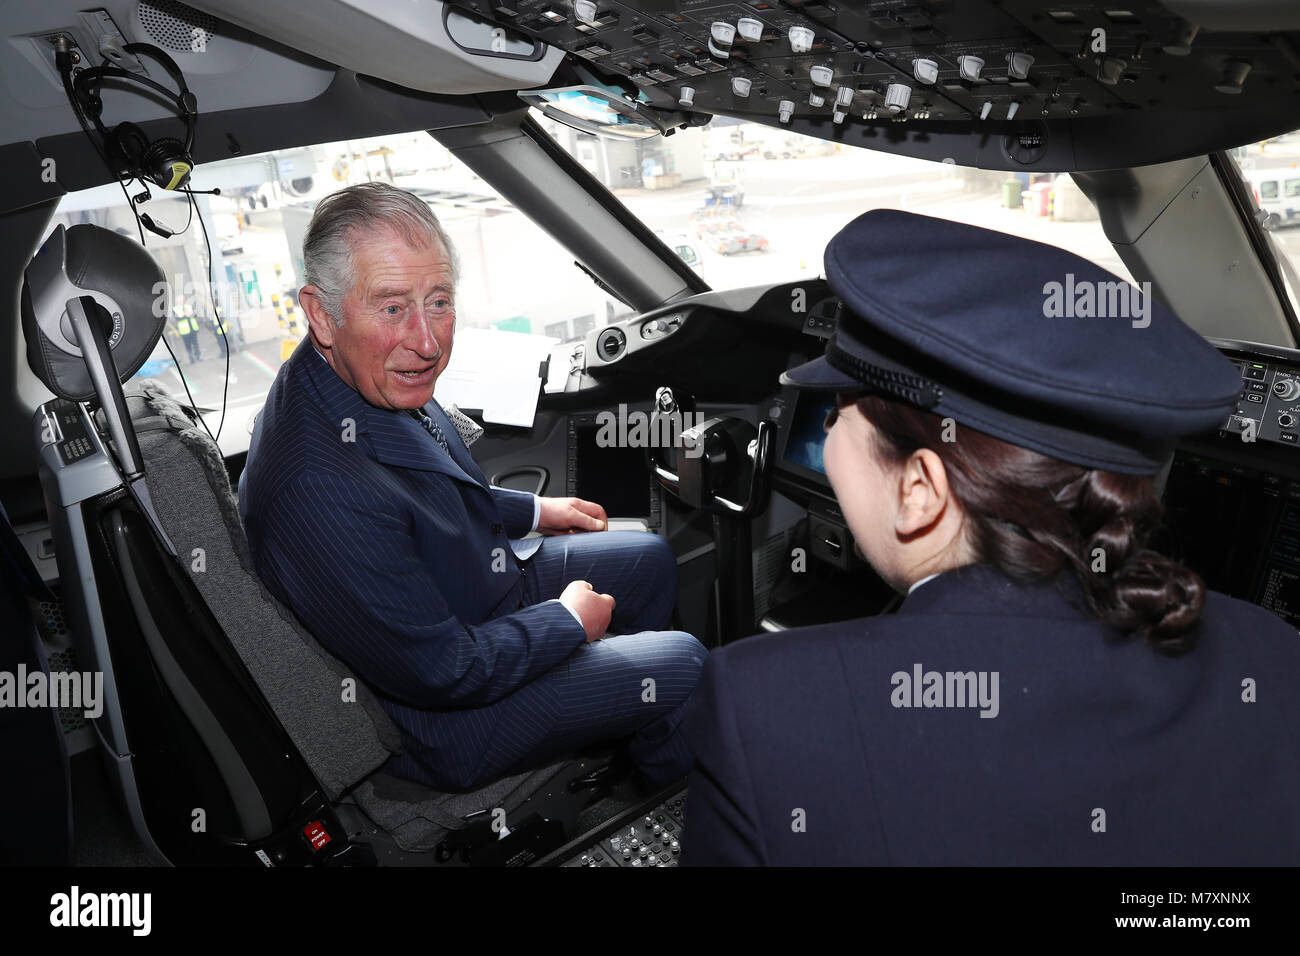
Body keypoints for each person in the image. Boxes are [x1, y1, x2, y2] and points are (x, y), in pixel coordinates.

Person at [682, 209, 1300, 865]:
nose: (827, 438)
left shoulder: (762, 711)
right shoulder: (1274, 652)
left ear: (919, 488)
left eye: (837, 415)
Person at [238, 182, 706, 793]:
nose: (427, 342)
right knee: (688, 665)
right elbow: (440, 671)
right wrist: (567, 624)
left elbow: (431, 488)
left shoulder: (352, 373)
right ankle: (665, 804)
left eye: (438, 301)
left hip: (467, 586)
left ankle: (636, 729)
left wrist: (535, 510)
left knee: (648, 555)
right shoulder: (319, 486)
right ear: (321, 314)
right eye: (392, 307)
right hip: (445, 718)